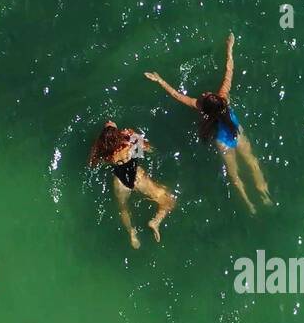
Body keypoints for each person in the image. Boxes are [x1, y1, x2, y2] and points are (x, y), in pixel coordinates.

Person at [145, 33, 271, 214]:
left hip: (223, 142)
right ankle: (264, 193)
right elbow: (229, 72)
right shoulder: (224, 99)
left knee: (234, 173)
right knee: (252, 162)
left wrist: (159, 80)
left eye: (204, 96)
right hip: (235, 131)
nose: (204, 93)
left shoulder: (199, 107)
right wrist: (230, 48)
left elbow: (175, 94)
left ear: (205, 108)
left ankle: (248, 202)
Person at [87, 121, 176, 248]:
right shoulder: (128, 143)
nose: (109, 121)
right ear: (117, 134)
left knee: (123, 209)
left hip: (120, 182)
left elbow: (92, 163)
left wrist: (96, 145)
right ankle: (155, 221)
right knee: (169, 200)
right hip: (138, 178)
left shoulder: (106, 153)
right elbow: (150, 149)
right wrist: (136, 136)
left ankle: (131, 234)